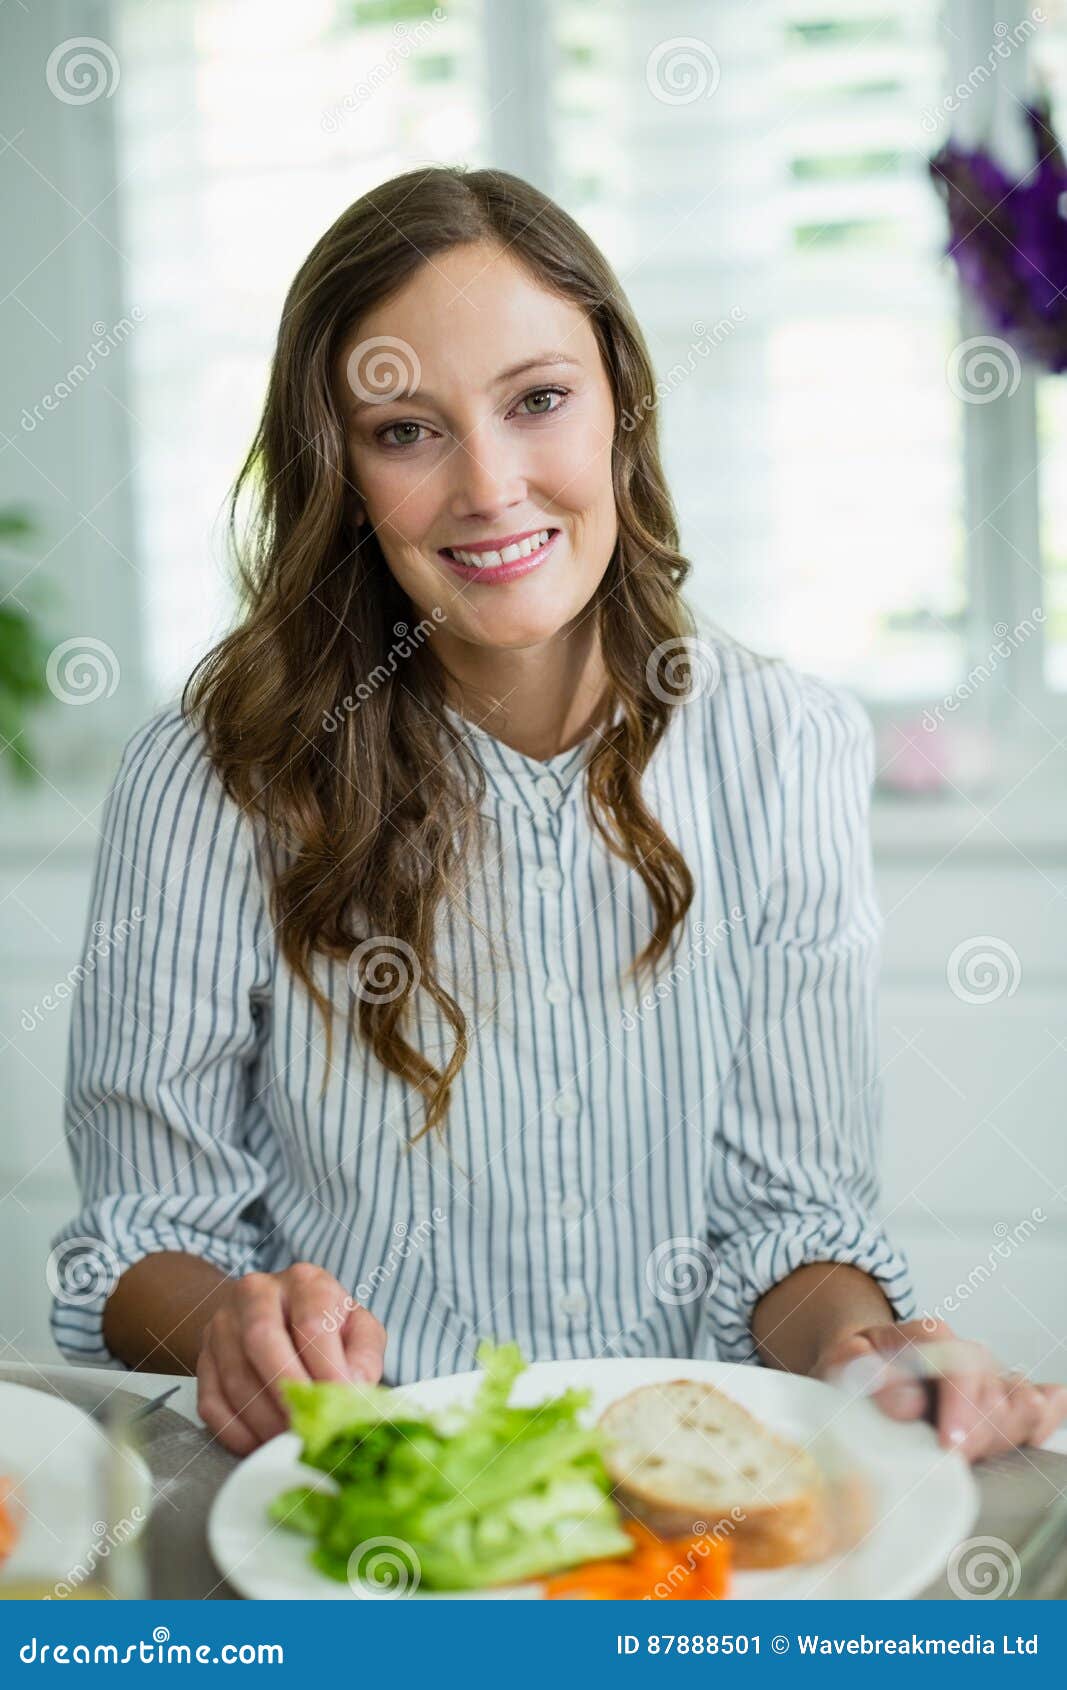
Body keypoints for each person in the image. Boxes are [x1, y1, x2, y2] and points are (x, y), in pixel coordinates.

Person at [50, 166, 1067, 1461]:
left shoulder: (786, 746)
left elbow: (793, 1224)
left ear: (621, 416)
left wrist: (869, 1352)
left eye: (538, 401)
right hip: (363, 1503)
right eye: (406, 429)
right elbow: (146, 1225)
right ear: (340, 469)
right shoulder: (212, 772)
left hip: (697, 1506)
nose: (489, 485)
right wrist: (228, 1332)